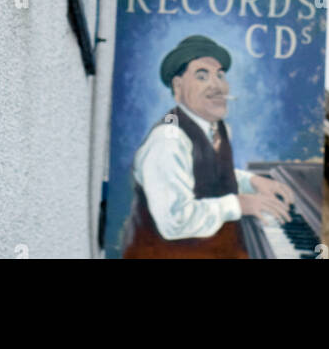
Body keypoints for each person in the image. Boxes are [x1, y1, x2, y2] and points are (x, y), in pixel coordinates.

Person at [122, 35, 292, 259]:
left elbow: (208, 174)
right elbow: (176, 220)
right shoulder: (167, 141)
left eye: (220, 75)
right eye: (202, 76)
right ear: (178, 86)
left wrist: (252, 182)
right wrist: (239, 204)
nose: (217, 86)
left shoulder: (216, 128)